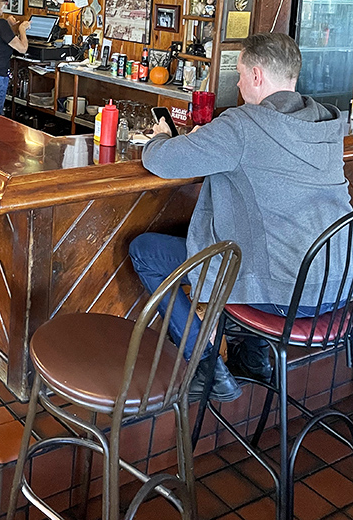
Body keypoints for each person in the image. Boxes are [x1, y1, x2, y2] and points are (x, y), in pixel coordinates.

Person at [130, 33, 352, 402]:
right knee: (254, 246)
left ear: (257, 76)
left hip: (287, 297)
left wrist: (159, 137)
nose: (238, 82)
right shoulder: (327, 123)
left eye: (240, 73)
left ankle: (205, 364)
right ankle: (253, 359)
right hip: (339, 287)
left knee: (146, 251)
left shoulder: (243, 125)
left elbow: (161, 161)